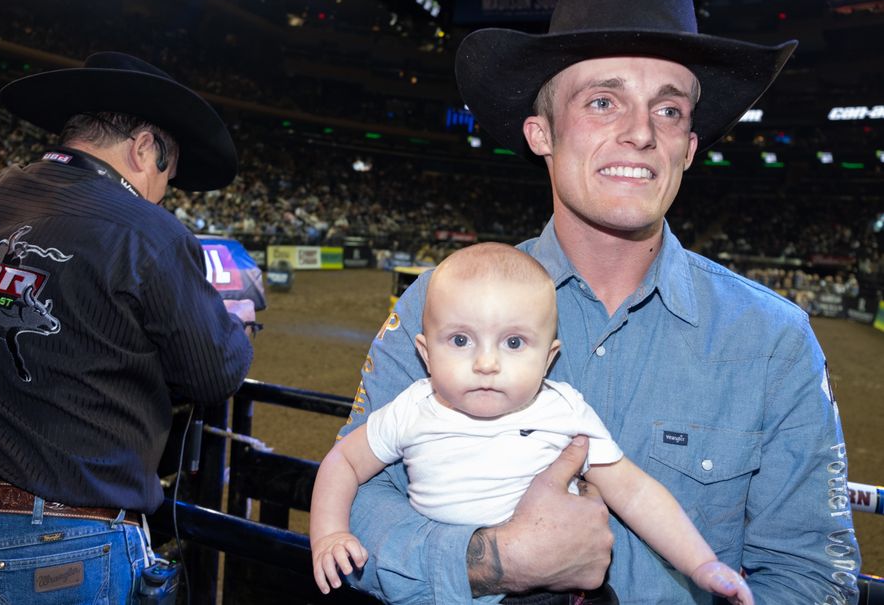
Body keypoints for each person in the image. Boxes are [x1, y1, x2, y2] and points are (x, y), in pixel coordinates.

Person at [338, 0, 861, 603]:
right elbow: (357, 500)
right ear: (542, 132)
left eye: (669, 111)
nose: (640, 132)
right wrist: (496, 559)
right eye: (604, 100)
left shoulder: (775, 341)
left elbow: (814, 576)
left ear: (689, 148)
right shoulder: (436, 302)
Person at [0, 52, 254, 604]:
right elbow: (216, 372)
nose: (165, 191)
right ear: (143, 148)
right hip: (57, 545)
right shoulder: (148, 231)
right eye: (168, 173)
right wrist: (237, 319)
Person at [311, 243, 753, 605]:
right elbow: (344, 463)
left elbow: (635, 491)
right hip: (450, 593)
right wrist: (328, 533)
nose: (486, 363)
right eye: (461, 340)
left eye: (514, 342)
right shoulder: (413, 407)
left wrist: (701, 564)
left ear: (549, 357)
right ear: (426, 354)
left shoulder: (563, 410)